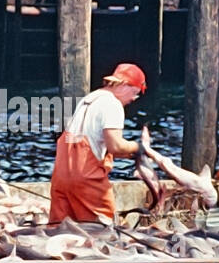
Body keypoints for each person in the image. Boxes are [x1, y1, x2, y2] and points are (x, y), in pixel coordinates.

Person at [49, 63, 146, 224]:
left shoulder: (90, 99)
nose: (133, 99)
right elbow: (115, 146)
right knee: (102, 233)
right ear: (123, 85)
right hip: (86, 181)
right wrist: (139, 148)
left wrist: (129, 154)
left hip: (61, 178)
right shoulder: (112, 105)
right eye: (135, 93)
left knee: (59, 231)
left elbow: (90, 141)